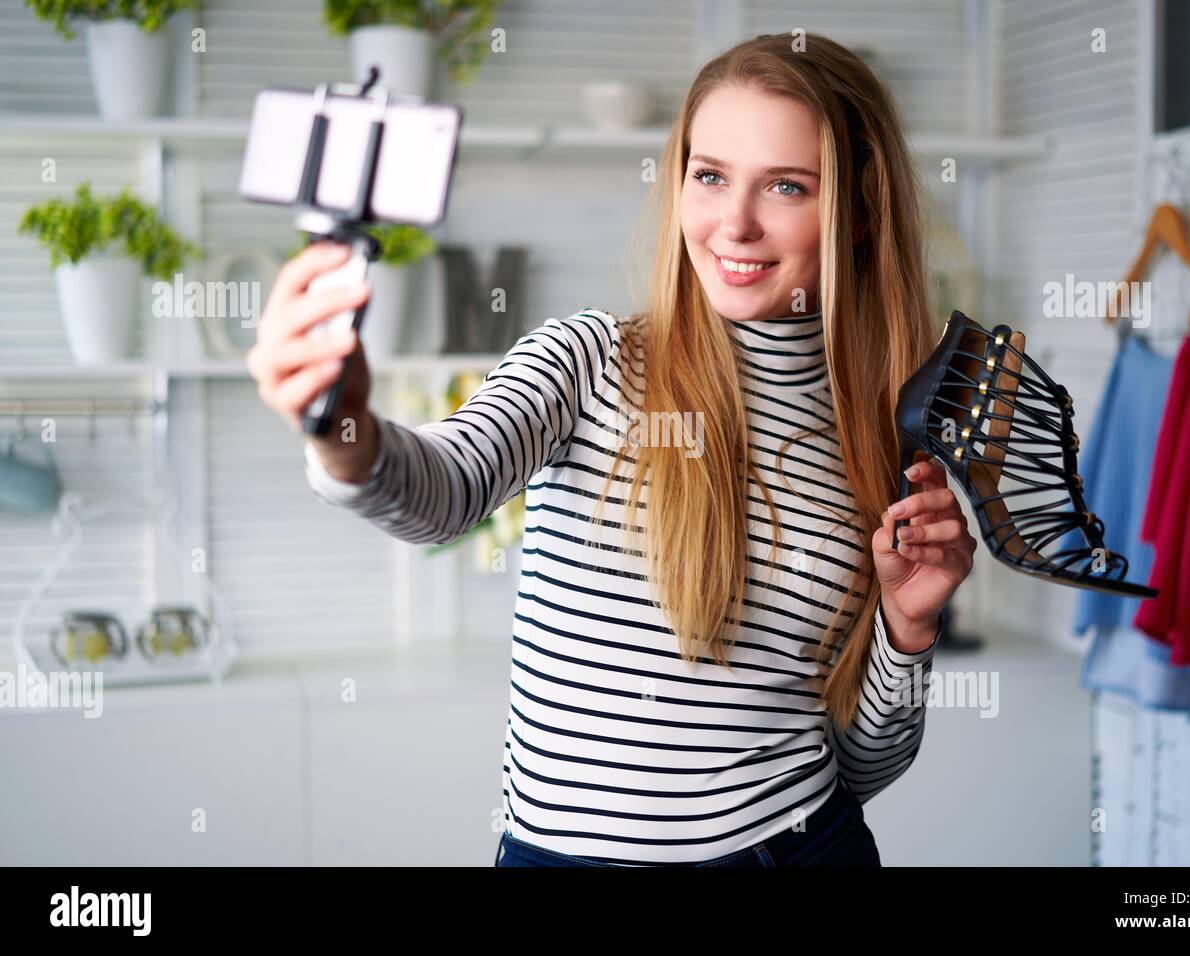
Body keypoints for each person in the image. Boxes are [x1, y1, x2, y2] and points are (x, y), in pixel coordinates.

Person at [246, 32, 976, 867]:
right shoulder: (587, 361)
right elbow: (438, 491)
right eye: (709, 176)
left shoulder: (883, 440)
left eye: (785, 186)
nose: (732, 223)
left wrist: (907, 624)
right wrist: (342, 426)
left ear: (859, 212)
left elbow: (861, 766)